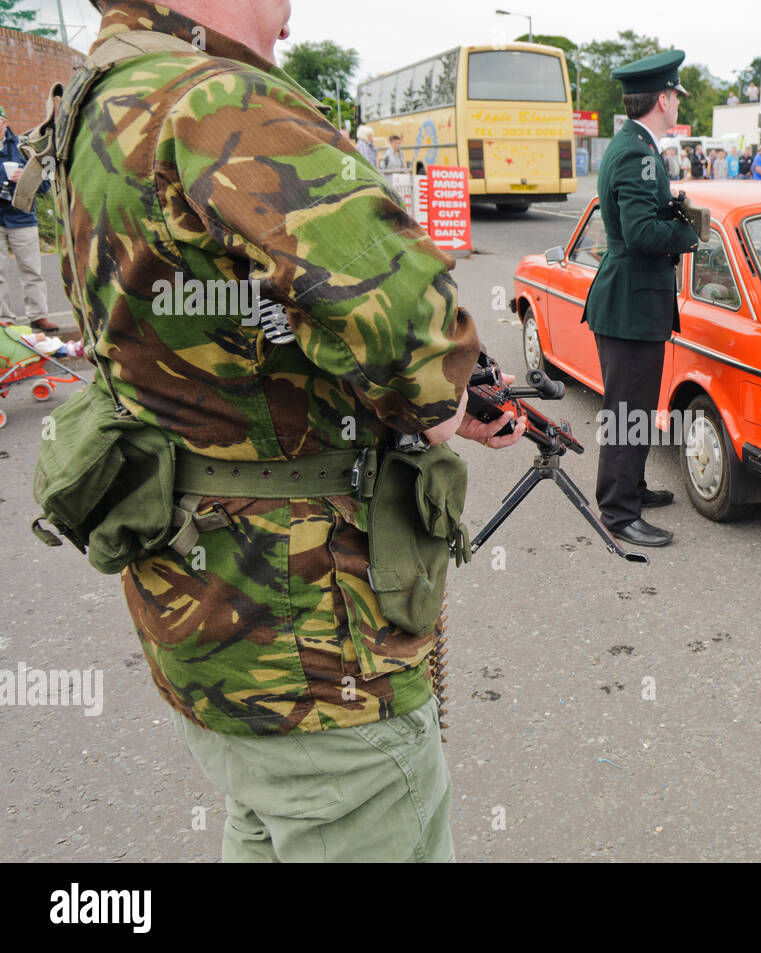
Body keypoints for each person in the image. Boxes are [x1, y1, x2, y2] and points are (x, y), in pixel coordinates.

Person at [64, 0, 525, 862]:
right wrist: (453, 397)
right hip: (311, 639)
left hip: (203, 611)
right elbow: (413, 334)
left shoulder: (100, 100)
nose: (290, 19)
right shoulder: (215, 104)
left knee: (267, 819)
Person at [581, 49, 699, 548]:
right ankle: (617, 512)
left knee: (636, 406)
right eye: (675, 94)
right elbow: (643, 232)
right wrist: (689, 231)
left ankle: (632, 487)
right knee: (627, 410)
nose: (677, 102)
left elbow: (644, 219)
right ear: (663, 98)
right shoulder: (636, 151)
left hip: (632, 299)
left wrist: (670, 212)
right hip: (630, 302)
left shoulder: (634, 144)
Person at [0, 104, 55, 332]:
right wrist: (4, 176)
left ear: (4, 122)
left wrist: (27, 176)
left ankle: (38, 315)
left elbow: (45, 183)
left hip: (23, 218)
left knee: (32, 270)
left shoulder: (23, 146)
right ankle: (4, 318)